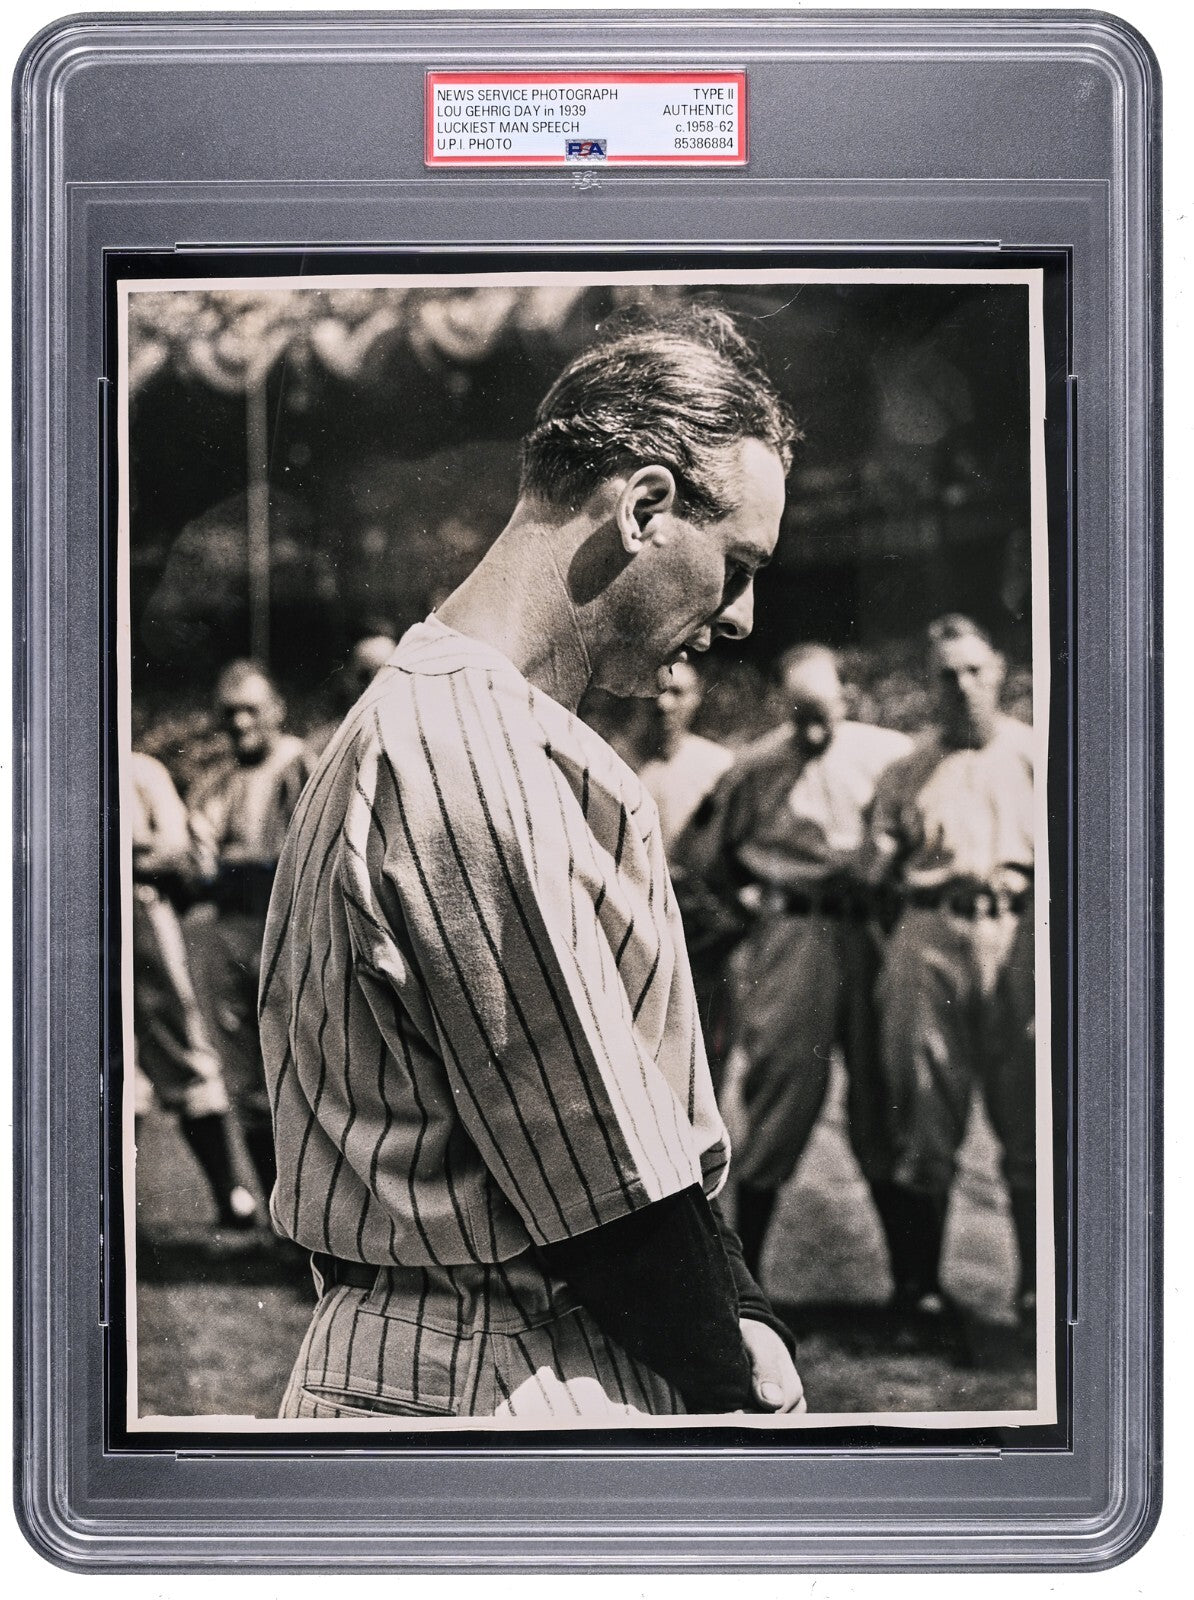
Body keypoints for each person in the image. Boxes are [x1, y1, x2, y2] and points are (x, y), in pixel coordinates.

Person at [261, 304, 808, 1420]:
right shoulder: (464, 745)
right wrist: (741, 1374)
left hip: (493, 1341)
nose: (744, 616)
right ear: (646, 506)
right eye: (737, 565)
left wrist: (742, 1307)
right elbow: (602, 1190)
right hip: (482, 1360)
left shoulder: (473, 722)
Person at [694, 645, 913, 1278]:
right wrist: (746, 915)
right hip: (796, 932)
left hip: (870, 928)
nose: (813, 727)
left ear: (848, 697)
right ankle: (747, 1279)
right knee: (782, 1093)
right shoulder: (757, 766)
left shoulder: (887, 755)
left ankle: (914, 1286)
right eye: (800, 713)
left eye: (824, 710)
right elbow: (709, 858)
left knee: (883, 1097)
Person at [860, 615, 1037, 1322]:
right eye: (946, 674)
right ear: (929, 684)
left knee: (1029, 1115)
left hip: (1018, 933)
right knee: (924, 1110)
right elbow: (875, 875)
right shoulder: (907, 767)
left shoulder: (1038, 753)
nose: (962, 685)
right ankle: (921, 1289)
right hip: (930, 933)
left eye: (975, 670)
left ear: (1000, 674)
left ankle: (1031, 1288)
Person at [190, 661, 314, 1197]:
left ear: (277, 711)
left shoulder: (304, 766)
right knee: (247, 1080)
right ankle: (278, 1215)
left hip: (289, 933)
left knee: (306, 1071)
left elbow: (302, 858)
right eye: (230, 712)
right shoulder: (214, 783)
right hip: (230, 935)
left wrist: (239, 868)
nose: (240, 723)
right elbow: (198, 868)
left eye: (251, 710)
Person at [128, 750, 259, 1229]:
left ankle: (230, 1194)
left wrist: (116, 848)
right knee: (116, 1071)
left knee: (184, 1049)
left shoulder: (141, 769)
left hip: (141, 910)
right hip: (75, 920)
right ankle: (112, 1201)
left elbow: (175, 853)